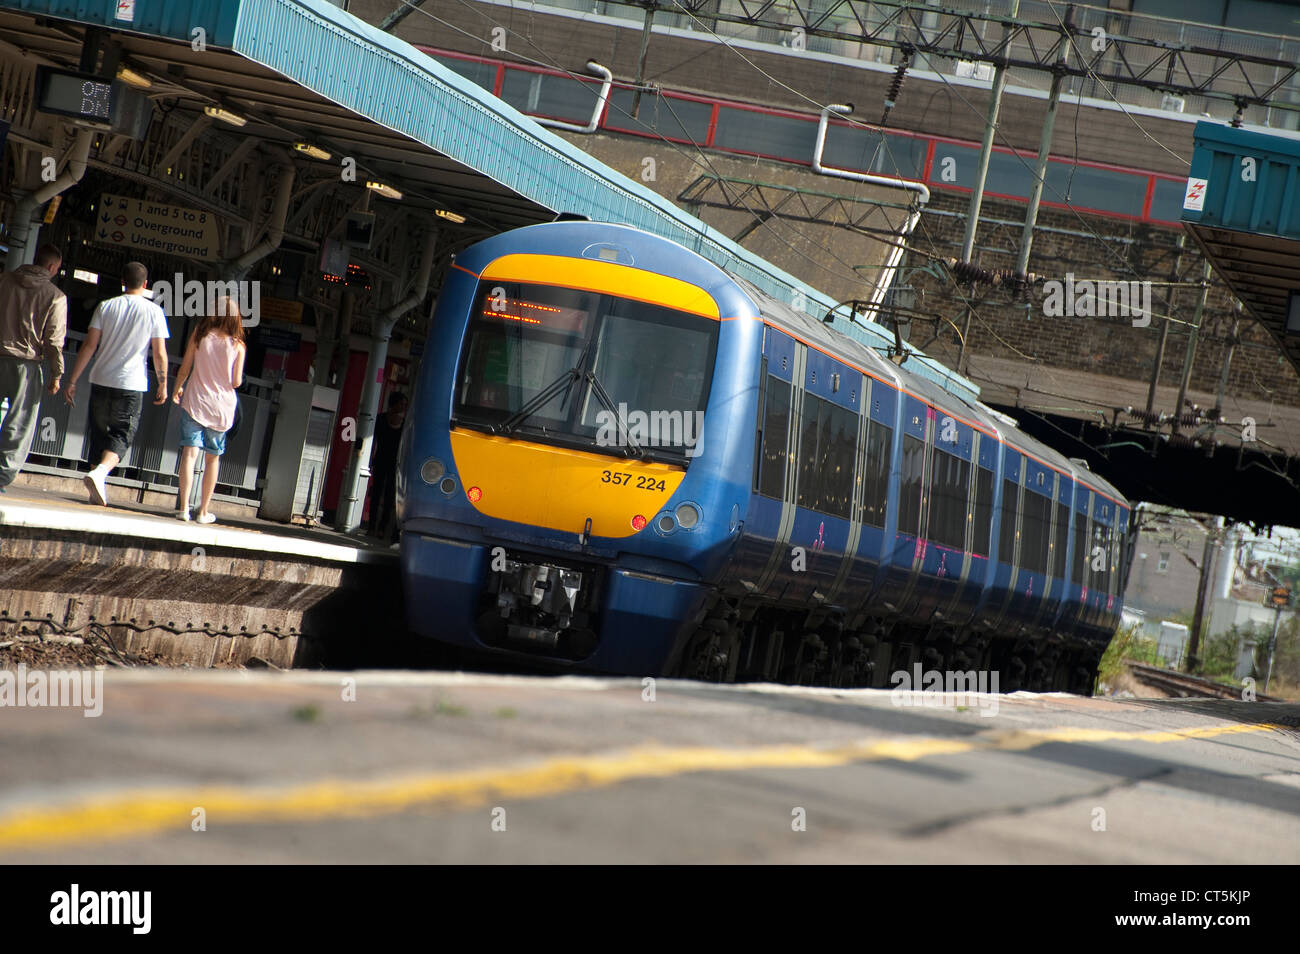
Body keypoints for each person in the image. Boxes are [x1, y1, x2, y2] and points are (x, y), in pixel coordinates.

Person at [63, 261, 169, 506]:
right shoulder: (154, 312)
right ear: (145, 284)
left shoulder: (106, 306)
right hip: (131, 384)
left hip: (101, 378)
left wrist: (73, 379)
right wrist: (163, 383)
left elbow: (90, 345)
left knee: (99, 434)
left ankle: (94, 493)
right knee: (122, 434)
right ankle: (100, 474)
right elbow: (160, 353)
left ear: (122, 281)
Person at [171, 297, 245, 524]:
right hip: (221, 407)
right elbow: (236, 381)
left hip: (195, 401)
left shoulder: (200, 335)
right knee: (213, 458)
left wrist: (177, 388)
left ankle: (184, 508)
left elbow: (185, 367)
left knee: (189, 454)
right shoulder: (238, 345)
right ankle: (203, 512)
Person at [0, 244, 67, 491]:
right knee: (19, 422)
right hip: (25, 366)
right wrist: (57, 374)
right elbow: (53, 340)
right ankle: (2, 477)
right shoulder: (55, 296)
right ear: (51, 267)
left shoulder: (4, 281)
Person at [367, 391, 408, 540]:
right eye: (401, 403)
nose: (403, 407)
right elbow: (373, 441)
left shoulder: (405, 424)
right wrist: (369, 459)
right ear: (393, 403)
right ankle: (371, 526)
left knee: (390, 496)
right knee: (376, 494)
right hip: (380, 460)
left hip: (395, 464)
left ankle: (382, 528)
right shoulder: (380, 419)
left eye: (405, 404)